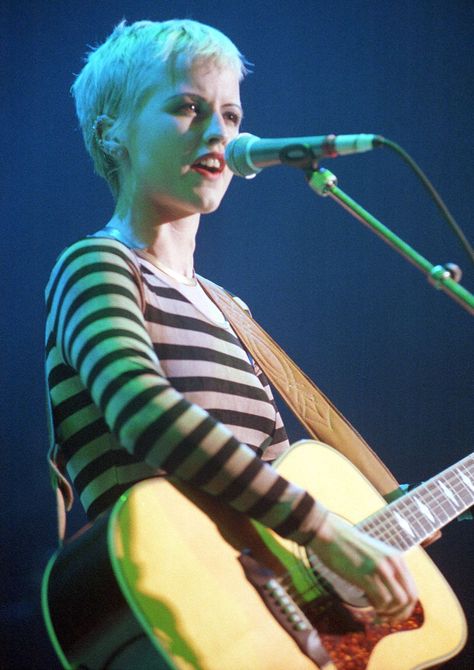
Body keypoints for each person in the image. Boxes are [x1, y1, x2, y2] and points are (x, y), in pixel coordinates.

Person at [45, 17, 417, 660]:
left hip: (260, 617)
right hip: (162, 604)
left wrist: (361, 537)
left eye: (230, 113)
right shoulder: (98, 264)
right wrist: (322, 527)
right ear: (113, 130)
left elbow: (278, 476)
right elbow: (142, 410)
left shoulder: (230, 309)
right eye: (188, 108)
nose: (219, 132)